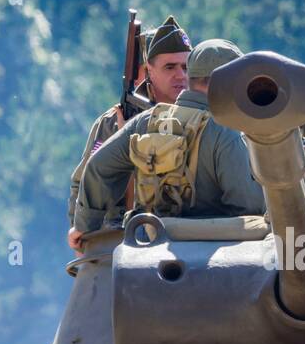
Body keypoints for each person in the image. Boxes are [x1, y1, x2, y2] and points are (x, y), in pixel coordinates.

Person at [68, 39, 264, 250]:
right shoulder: (227, 134)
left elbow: (99, 168)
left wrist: (83, 226)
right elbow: (248, 209)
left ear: (190, 77)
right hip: (205, 258)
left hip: (144, 247)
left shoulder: (146, 121)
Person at [67, 15, 192, 226]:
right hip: (117, 232)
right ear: (148, 71)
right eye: (170, 67)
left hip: (178, 231)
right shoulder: (113, 122)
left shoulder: (199, 117)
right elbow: (85, 181)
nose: (180, 75)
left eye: (186, 67)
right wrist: (81, 231)